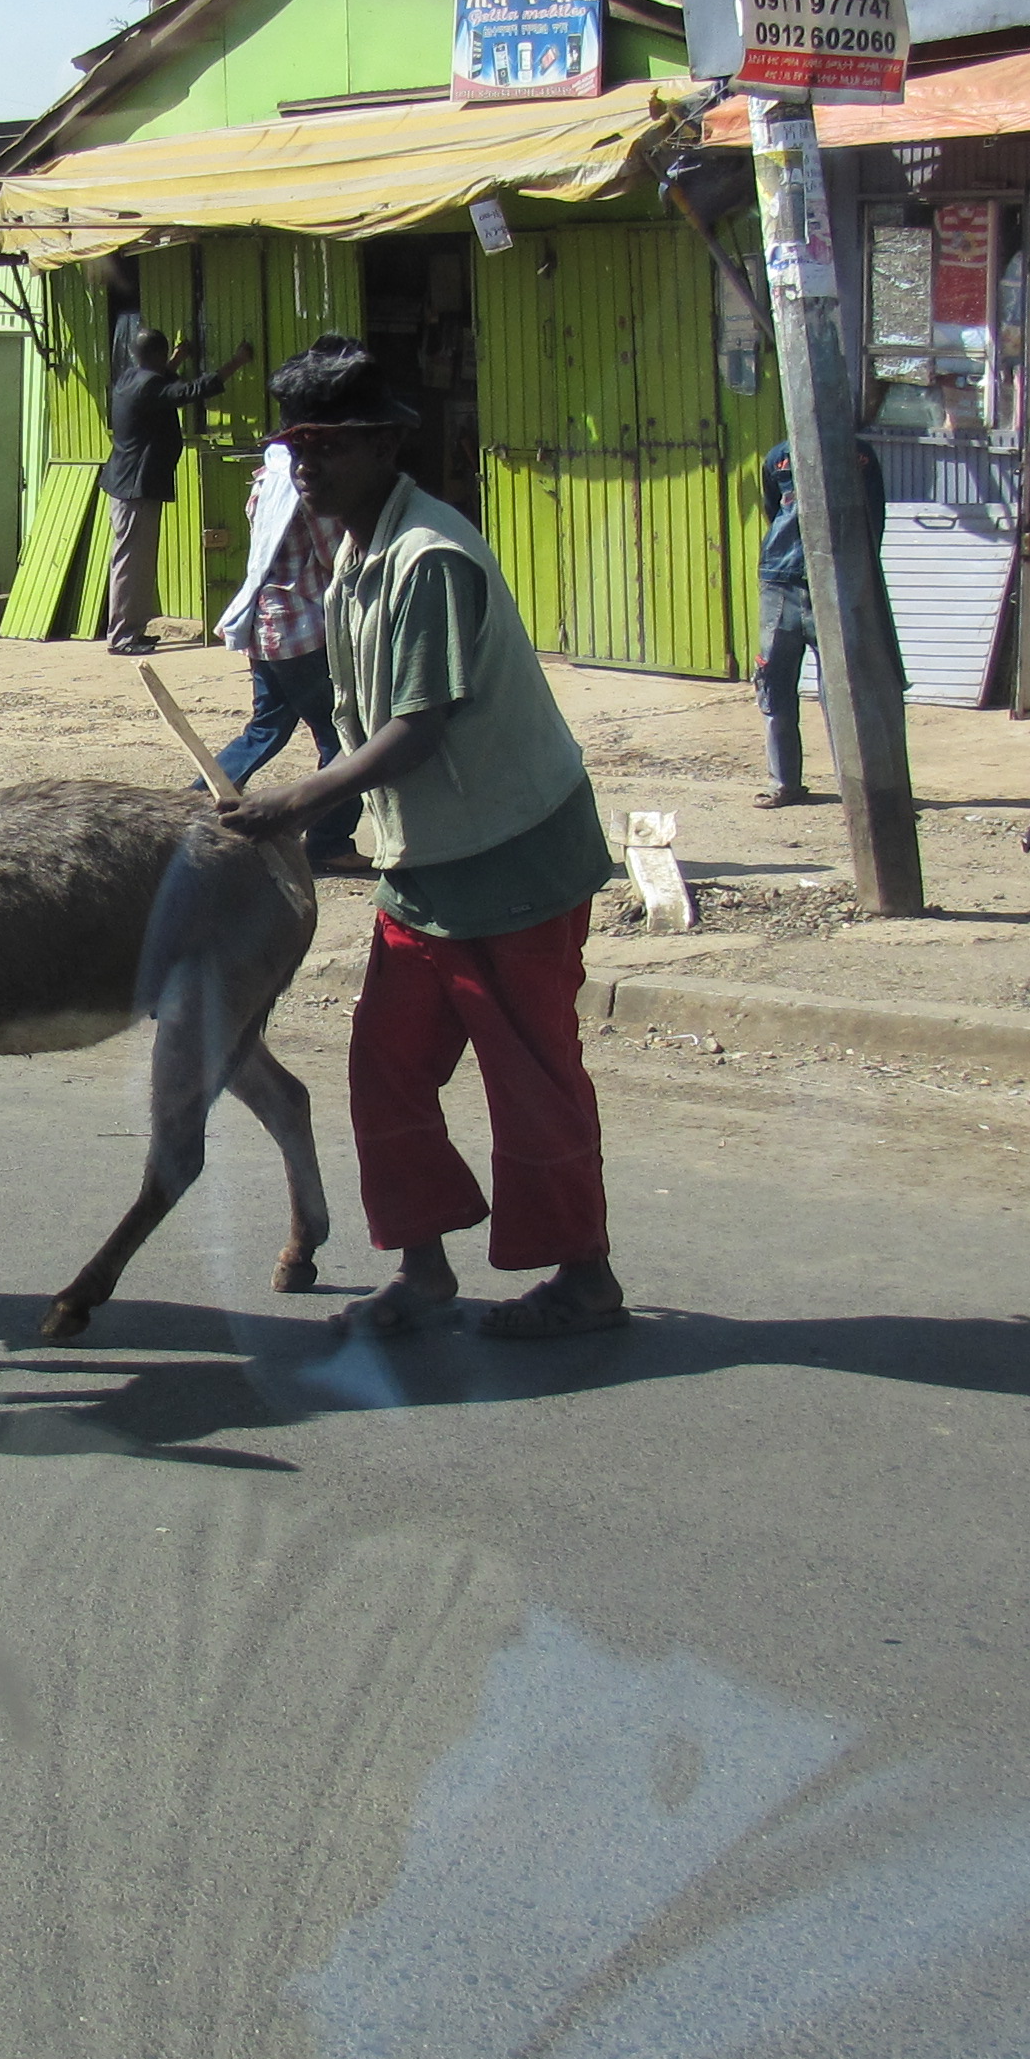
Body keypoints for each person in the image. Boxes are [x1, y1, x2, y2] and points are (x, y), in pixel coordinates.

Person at [222, 336, 624, 1342]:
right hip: (424, 864)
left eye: (330, 447)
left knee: (530, 1078)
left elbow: (416, 727)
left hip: (515, 856)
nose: (307, 467)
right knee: (385, 1065)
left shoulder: (427, 557)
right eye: (296, 448)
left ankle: (585, 1278)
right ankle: (422, 1268)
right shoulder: (357, 549)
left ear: (387, 446)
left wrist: (291, 805)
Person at [203, 436, 356, 865]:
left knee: (266, 729)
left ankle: (190, 807)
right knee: (341, 735)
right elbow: (336, 559)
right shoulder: (307, 493)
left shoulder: (265, 486)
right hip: (302, 629)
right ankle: (330, 843)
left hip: (267, 624)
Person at [750, 432, 898, 810]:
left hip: (838, 584)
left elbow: (873, 515)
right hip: (780, 579)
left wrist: (855, 571)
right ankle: (784, 784)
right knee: (773, 681)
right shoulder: (778, 456)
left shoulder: (857, 453)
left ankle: (857, 786)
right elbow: (773, 509)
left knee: (844, 688)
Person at [97, 313, 233, 655]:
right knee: (130, 562)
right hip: (135, 487)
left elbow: (158, 382)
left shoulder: (130, 377)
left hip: (129, 485)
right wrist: (236, 363)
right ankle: (122, 637)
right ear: (156, 357)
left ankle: (132, 630)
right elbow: (188, 390)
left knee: (137, 562)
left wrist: (176, 359)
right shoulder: (149, 385)